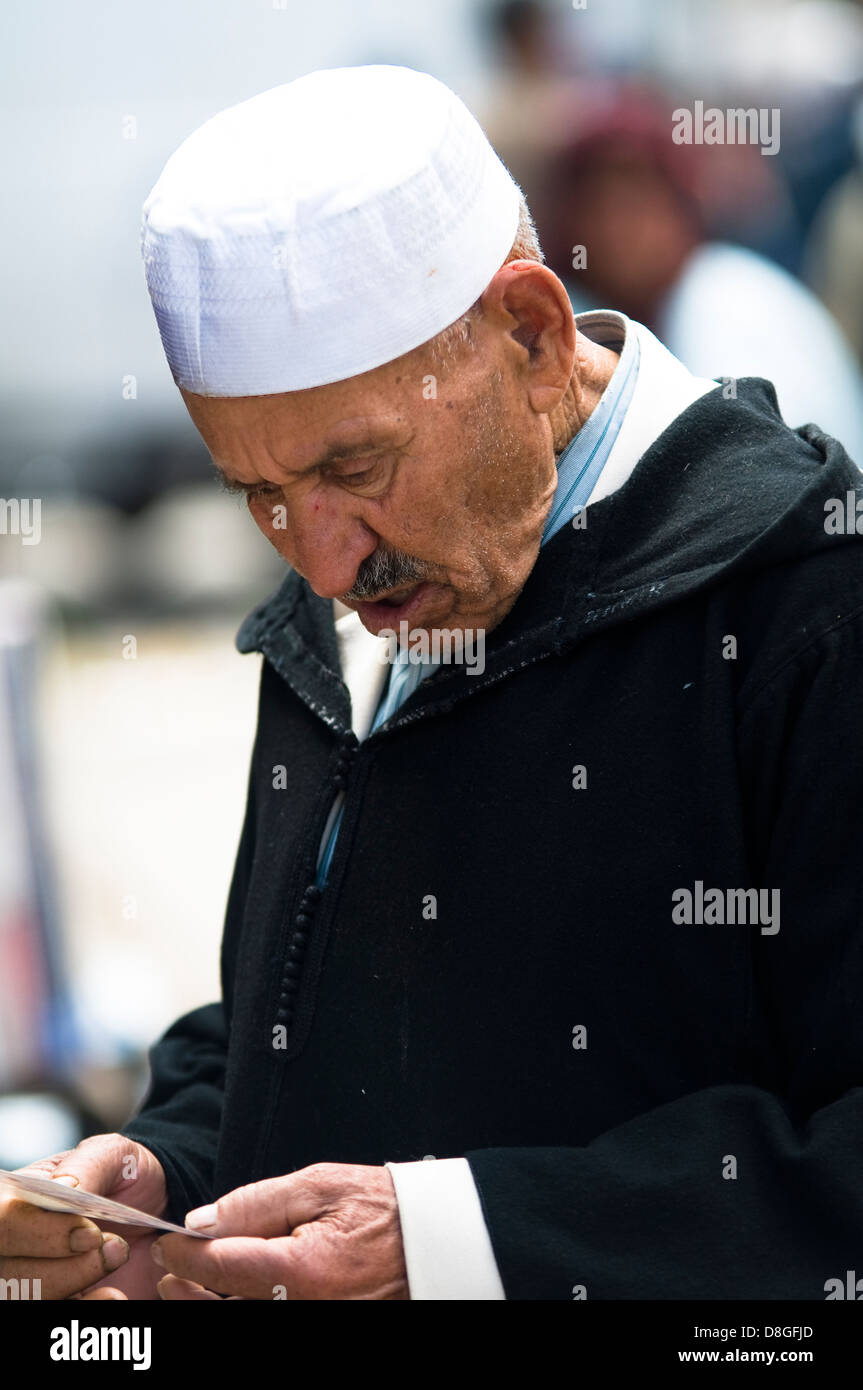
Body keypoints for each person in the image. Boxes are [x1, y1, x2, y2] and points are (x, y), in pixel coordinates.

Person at [2, 64, 862, 1302]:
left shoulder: (802, 612)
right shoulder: (360, 582)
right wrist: (165, 1166)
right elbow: (294, 1018)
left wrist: (463, 1240)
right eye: (258, 491)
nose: (318, 554)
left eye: (358, 462)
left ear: (529, 330)